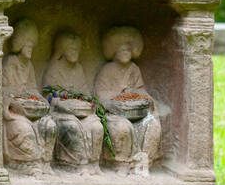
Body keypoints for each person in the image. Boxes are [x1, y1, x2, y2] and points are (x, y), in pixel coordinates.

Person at [95, 26, 164, 174]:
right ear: (114, 52)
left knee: (152, 124)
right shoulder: (107, 70)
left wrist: (147, 98)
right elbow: (100, 95)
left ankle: (144, 160)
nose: (126, 53)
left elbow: (139, 89)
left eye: (128, 50)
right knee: (123, 127)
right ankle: (121, 163)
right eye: (122, 50)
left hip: (135, 111)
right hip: (114, 112)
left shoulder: (134, 69)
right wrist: (116, 100)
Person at [41, 31, 104, 172]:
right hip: (61, 113)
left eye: (77, 49)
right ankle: (72, 165)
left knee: (97, 127)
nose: (75, 52)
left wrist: (88, 103)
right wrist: (61, 103)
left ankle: (93, 165)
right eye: (71, 49)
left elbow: (86, 94)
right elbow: (48, 95)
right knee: (72, 126)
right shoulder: (54, 68)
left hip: (81, 111)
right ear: (62, 50)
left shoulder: (79, 69)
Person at [1, 20, 56, 173]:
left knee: (49, 126)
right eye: (28, 46)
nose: (31, 50)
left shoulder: (29, 65)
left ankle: (45, 163)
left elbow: (32, 89)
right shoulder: (10, 62)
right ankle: (25, 164)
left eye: (32, 47)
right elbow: (4, 90)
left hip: (30, 109)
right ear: (20, 45)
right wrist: (15, 100)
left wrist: (40, 100)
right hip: (13, 112)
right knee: (24, 129)